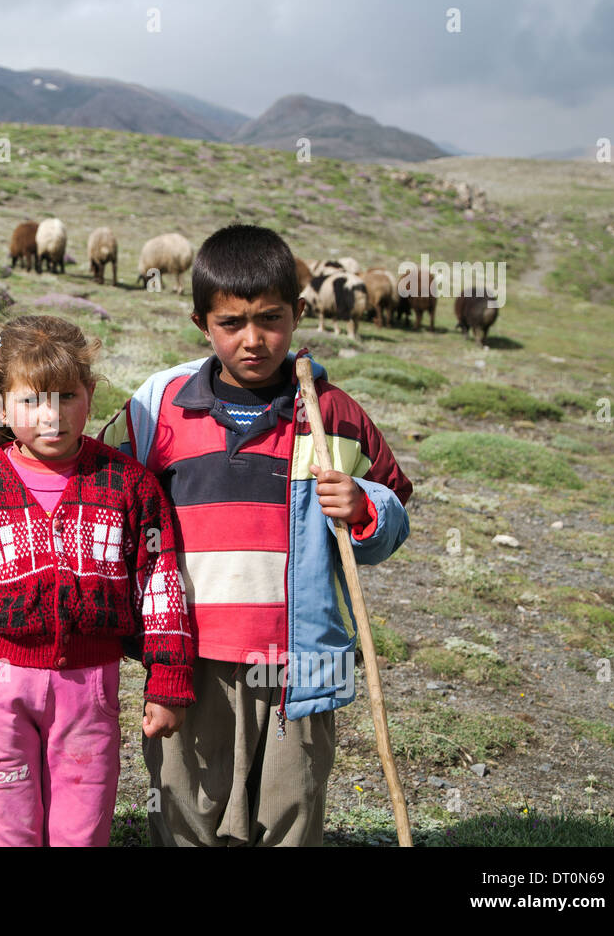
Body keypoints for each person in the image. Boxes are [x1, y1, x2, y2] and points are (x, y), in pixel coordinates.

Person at [100, 224, 412, 846]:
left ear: (299, 313)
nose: (252, 340)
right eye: (231, 323)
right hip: (188, 653)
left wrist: (363, 507)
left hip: (299, 658)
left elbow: (393, 505)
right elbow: (104, 486)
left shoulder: (332, 413)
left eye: (270, 319)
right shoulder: (159, 405)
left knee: (290, 806)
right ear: (200, 322)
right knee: (187, 800)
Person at [0, 315, 195, 846]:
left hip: (90, 691)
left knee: (80, 829)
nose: (51, 417)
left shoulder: (127, 485)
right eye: (31, 400)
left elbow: (161, 586)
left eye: (67, 397)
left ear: (90, 392)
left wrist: (168, 679)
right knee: (1, 828)